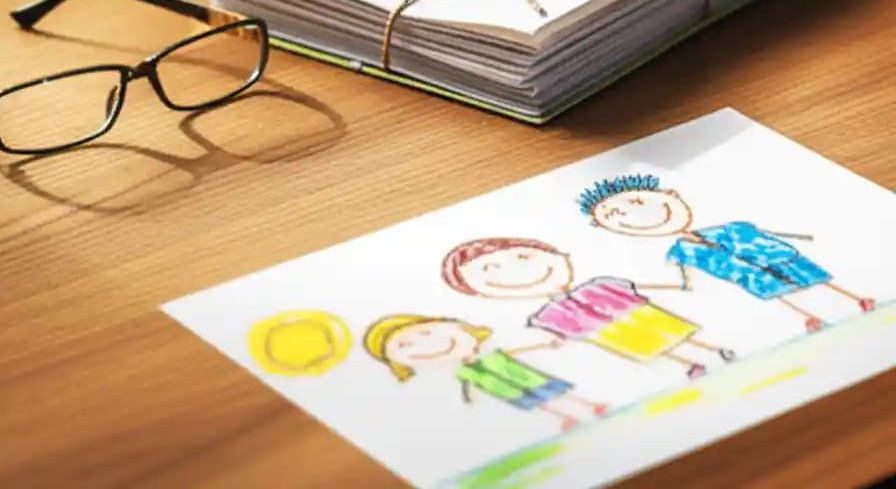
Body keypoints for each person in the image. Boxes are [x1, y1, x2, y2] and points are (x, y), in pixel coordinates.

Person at [578, 174, 875, 332]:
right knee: (778, 292)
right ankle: (810, 318)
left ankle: (855, 298)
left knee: (814, 277)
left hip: (775, 254)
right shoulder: (679, 251)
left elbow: (766, 234)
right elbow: (687, 279)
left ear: (671, 196)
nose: (629, 215)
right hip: (743, 274)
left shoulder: (729, 227)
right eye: (615, 215)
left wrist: (801, 235)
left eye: (638, 203)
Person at [441, 237, 734, 378]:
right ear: (481, 293)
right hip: (606, 331)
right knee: (653, 347)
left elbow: (633, 287)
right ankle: (692, 364)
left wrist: (674, 285)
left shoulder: (598, 285)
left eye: (524, 258)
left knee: (673, 332)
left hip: (634, 312)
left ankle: (713, 349)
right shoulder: (548, 314)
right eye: (491, 272)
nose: (515, 273)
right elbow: (553, 335)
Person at [363, 314, 605, 431]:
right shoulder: (463, 372)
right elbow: (469, 385)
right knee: (538, 404)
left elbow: (515, 352)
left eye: (426, 333)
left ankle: (590, 405)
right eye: (403, 346)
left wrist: (545, 345)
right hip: (507, 390)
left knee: (555, 392)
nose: (427, 344)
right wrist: (467, 401)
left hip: (528, 378)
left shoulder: (491, 354)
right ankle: (565, 418)